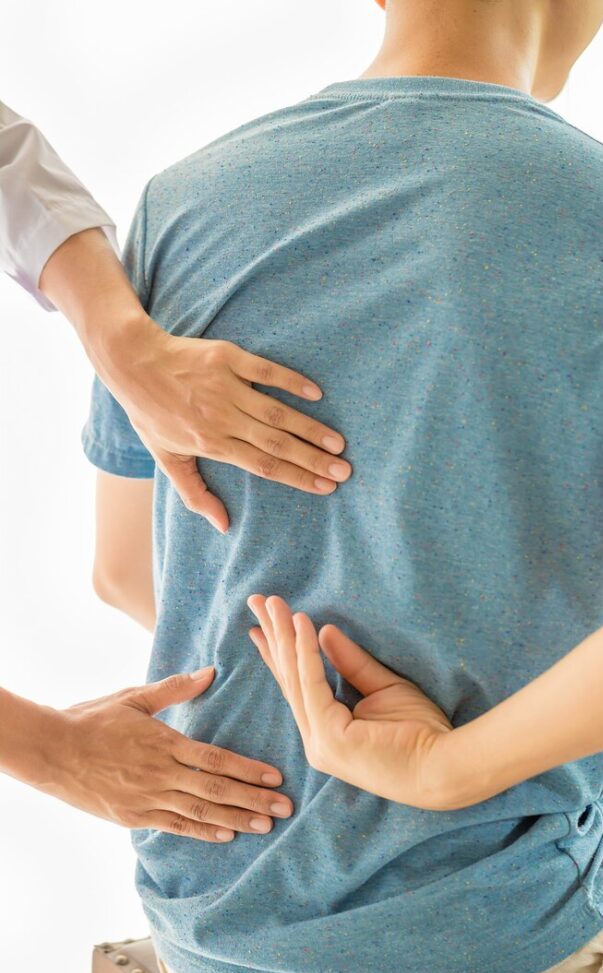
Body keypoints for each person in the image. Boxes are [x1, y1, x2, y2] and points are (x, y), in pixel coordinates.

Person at [84, 0, 603, 973]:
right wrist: (449, 765)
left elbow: (124, 571)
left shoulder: (177, 203)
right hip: (492, 942)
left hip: (208, 929)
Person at [0, 99, 353, 841]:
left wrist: (123, 342)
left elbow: (123, 571)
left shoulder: (186, 208)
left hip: (223, 868)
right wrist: (48, 750)